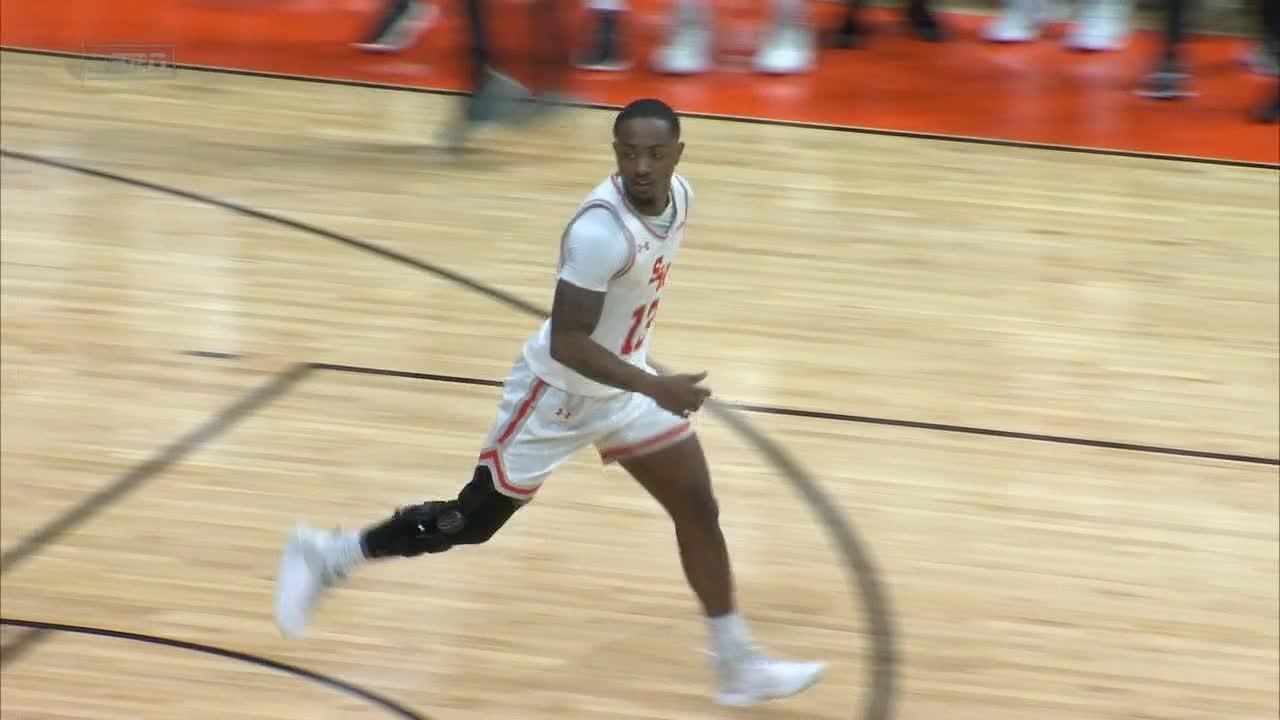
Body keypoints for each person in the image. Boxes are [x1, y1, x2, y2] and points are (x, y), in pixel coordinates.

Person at [272, 98, 828, 707]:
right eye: (628, 153)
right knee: (471, 522)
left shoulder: (682, 198)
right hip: (557, 396)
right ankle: (330, 556)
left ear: (678, 155)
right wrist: (655, 386)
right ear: (614, 153)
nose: (641, 165)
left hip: (623, 384)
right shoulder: (598, 231)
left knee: (697, 506)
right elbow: (567, 344)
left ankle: (736, 664)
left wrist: (640, 379)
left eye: (655, 153)